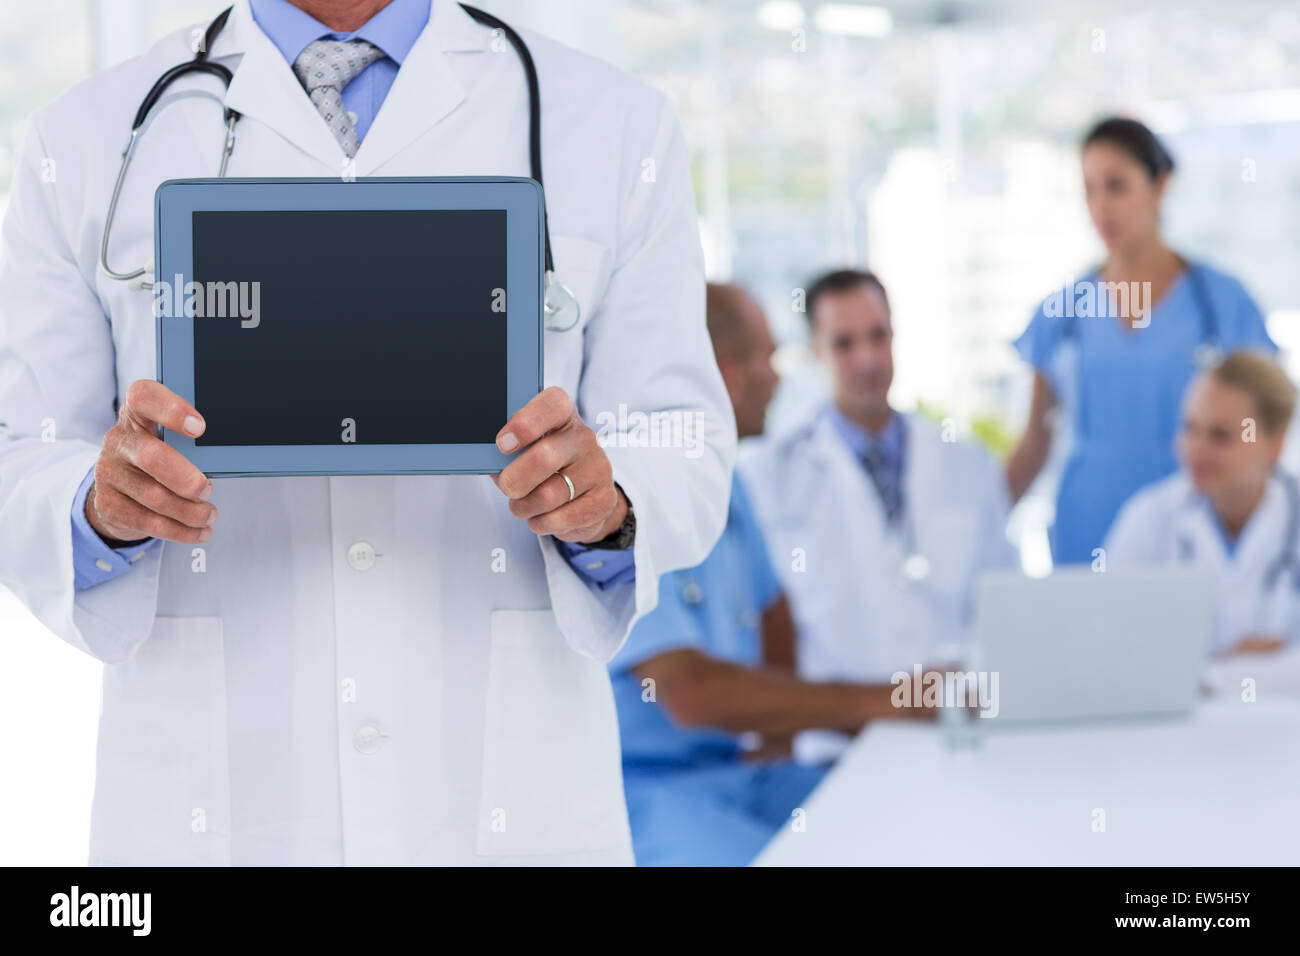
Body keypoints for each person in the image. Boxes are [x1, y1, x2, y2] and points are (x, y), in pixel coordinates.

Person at [0, 0, 735, 865]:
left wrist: (608, 508)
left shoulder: (612, 124)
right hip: (214, 808)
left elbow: (682, 438)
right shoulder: (82, 138)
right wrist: (98, 505)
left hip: (510, 803)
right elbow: (19, 451)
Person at [610, 283, 937, 867]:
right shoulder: (628, 493)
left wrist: (782, 735)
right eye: (768, 359)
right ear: (726, 376)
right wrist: (880, 702)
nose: (780, 379)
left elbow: (773, 612)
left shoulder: (727, 485)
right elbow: (689, 693)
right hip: (652, 791)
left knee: (907, 823)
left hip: (743, 771)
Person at [742, 269, 1014, 762]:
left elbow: (1006, 604)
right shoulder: (769, 477)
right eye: (844, 344)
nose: (866, 358)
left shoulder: (967, 463)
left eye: (878, 336)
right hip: (835, 748)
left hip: (960, 732)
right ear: (816, 353)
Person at [1006, 117, 1277, 565]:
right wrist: (971, 531)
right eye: (1088, 190)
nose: (1100, 207)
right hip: (1085, 532)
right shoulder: (1062, 313)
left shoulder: (1224, 304)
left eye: (1116, 186)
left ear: (1160, 185)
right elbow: (1035, 443)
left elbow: (1264, 431)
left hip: (1194, 531)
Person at [1106, 351, 1299, 655]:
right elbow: (1108, 642)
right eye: (1190, 428)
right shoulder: (1150, 517)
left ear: (1274, 445)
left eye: (1220, 436)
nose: (1196, 450)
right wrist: (1232, 662)